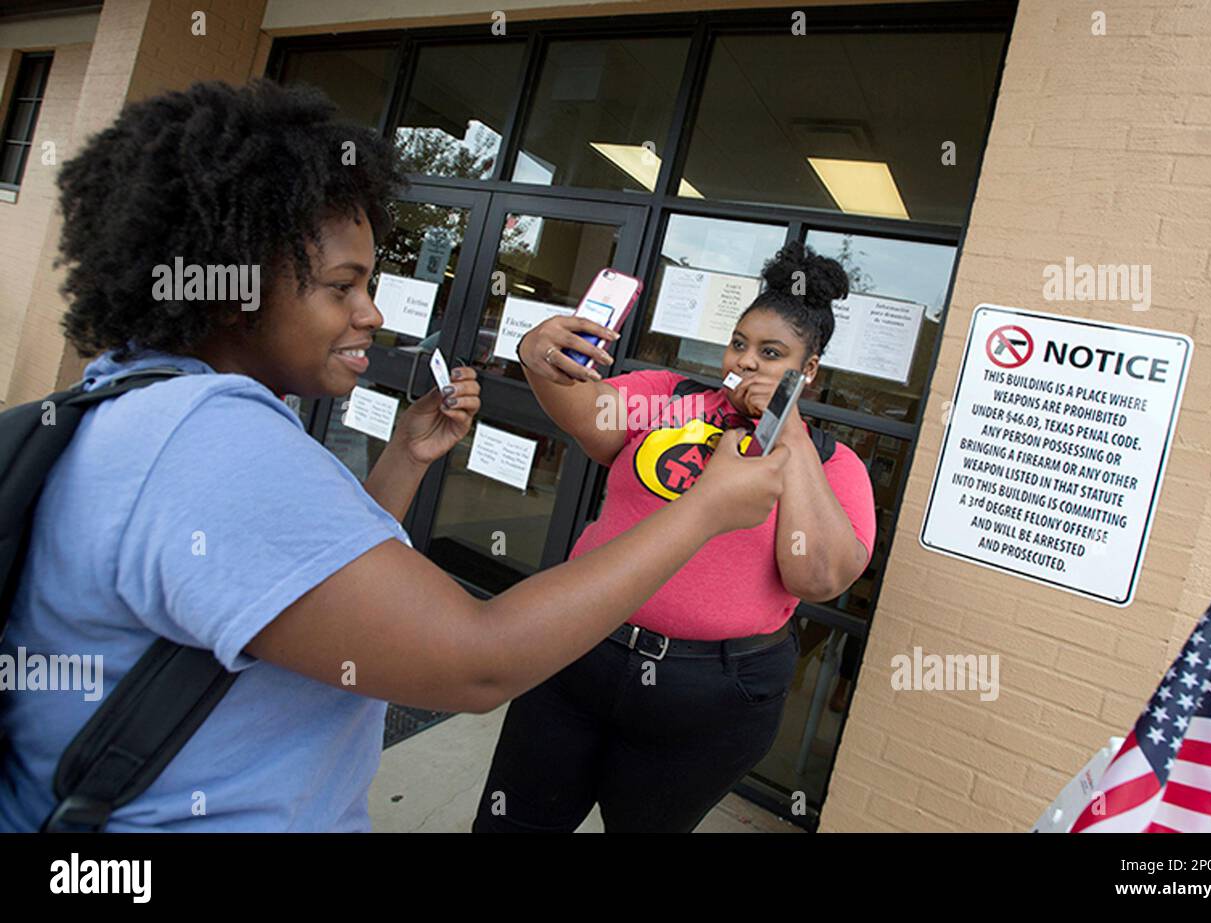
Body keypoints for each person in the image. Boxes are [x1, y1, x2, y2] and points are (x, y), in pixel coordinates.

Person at [0, 79, 789, 833]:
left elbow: (302, 591)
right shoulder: (209, 439)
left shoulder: (137, 400)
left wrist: (407, 457)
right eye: (342, 286)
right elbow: (478, 663)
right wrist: (704, 512)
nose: (371, 312)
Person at [473, 241, 876, 833]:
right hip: (580, 646)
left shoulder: (831, 463)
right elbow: (588, 413)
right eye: (739, 344)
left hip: (710, 694)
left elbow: (818, 578)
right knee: (513, 822)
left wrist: (785, 429)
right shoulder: (670, 396)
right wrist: (538, 357)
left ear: (807, 370)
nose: (746, 362)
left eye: (771, 353)